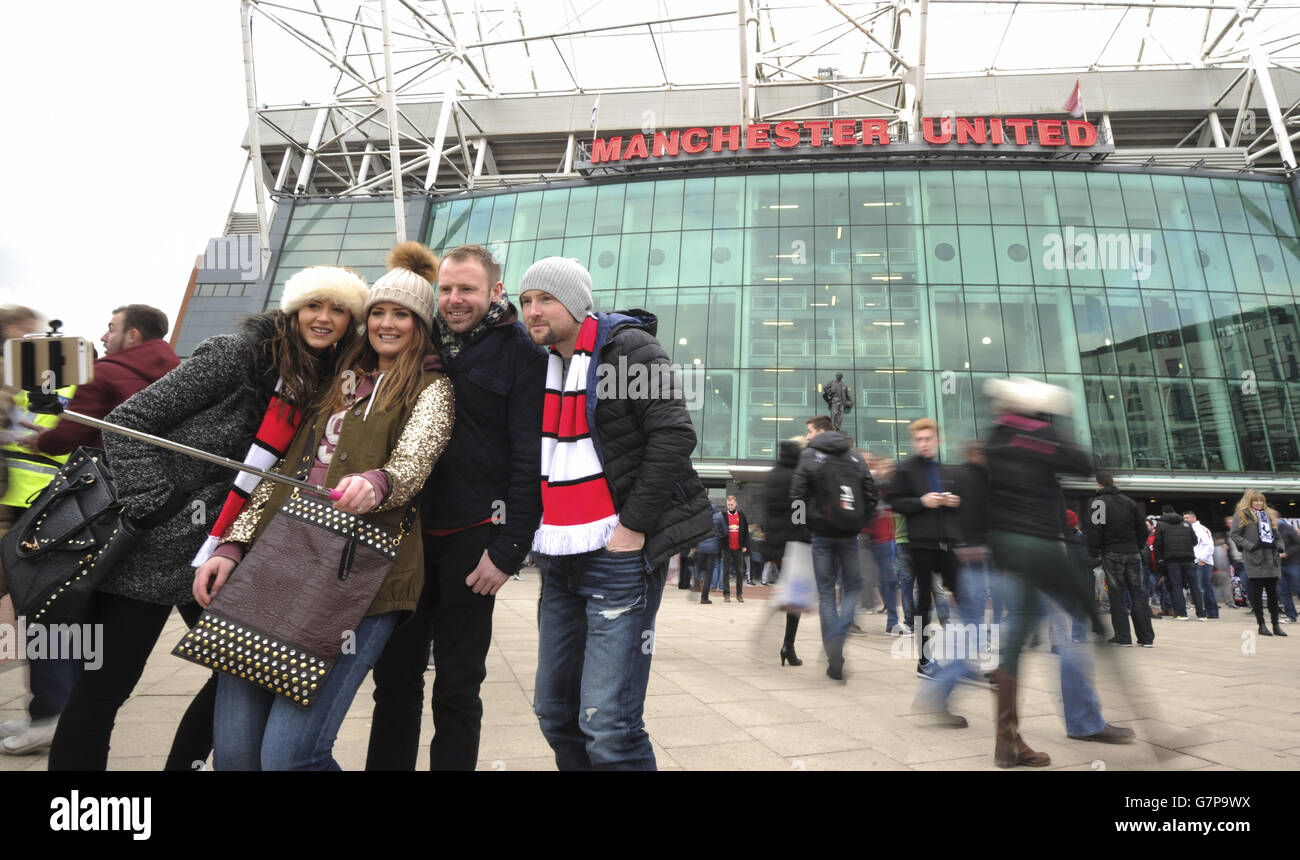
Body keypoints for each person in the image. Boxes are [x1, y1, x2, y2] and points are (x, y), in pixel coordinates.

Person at [48, 265, 366, 771]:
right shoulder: (239, 355)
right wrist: (157, 504)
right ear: (294, 309)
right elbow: (129, 422)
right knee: (105, 691)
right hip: (152, 548)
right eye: (314, 305)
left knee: (241, 671)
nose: (324, 318)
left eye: (338, 309)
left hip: (222, 550)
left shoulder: (322, 380)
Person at [195, 242, 455, 770]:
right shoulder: (337, 382)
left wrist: (378, 483)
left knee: (289, 759)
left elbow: (413, 463)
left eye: (401, 314)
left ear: (420, 324)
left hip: (360, 576)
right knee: (237, 758)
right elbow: (282, 475)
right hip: (277, 561)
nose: (386, 323)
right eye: (378, 312)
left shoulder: (433, 388)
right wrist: (233, 543)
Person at [520, 256, 712, 770]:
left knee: (609, 726)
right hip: (559, 556)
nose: (533, 311)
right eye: (526, 301)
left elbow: (673, 433)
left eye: (545, 299)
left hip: (615, 554)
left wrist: (632, 528)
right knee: (554, 712)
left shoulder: (627, 347)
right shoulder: (543, 364)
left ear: (578, 302)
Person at [365, 243, 545, 772]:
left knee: (458, 687)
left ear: (495, 291)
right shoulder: (418, 344)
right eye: (445, 288)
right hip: (407, 536)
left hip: (473, 541)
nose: (454, 299)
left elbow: (529, 458)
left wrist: (510, 549)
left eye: (466, 289)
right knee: (393, 681)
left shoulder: (522, 354)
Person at [1, 305, 180, 757]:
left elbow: (69, 431)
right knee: (79, 606)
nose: (104, 333)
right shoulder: (179, 371)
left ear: (132, 333)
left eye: (112, 326)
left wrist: (36, 438)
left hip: (63, 509)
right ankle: (63, 703)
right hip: (143, 515)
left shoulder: (104, 371)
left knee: (49, 605)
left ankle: (56, 709)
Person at [981, 378, 1133, 768]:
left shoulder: (996, 438)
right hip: (1041, 543)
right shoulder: (1036, 432)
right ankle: (1087, 720)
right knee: (1083, 624)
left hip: (1008, 546)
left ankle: (1007, 740)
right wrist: (1059, 415)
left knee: (1018, 634)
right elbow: (1081, 463)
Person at [789, 414, 877, 681]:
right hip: (849, 533)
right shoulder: (855, 456)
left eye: (809, 431)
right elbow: (871, 493)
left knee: (827, 592)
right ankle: (841, 632)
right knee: (851, 587)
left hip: (822, 534)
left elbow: (796, 494)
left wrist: (801, 526)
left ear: (821, 431)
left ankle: (834, 655)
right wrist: (860, 521)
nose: (807, 436)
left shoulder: (810, 455)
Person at [887, 418, 963, 681]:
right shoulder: (906, 469)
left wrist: (953, 501)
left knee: (963, 593)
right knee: (923, 602)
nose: (924, 443)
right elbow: (894, 502)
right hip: (920, 542)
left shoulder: (944, 468)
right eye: (919, 440)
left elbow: (957, 499)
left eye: (928, 438)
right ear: (914, 442)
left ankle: (962, 657)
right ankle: (923, 660)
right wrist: (921, 501)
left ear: (937, 440)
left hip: (946, 541)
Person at [1088, 471, 1154, 647]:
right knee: (1138, 594)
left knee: (1117, 595)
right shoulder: (1129, 502)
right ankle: (1146, 637)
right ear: (1114, 483)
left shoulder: (1099, 503)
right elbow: (1142, 528)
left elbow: (1096, 529)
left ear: (1099, 484)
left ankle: (1123, 636)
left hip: (1112, 552)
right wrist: (1138, 545)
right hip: (1132, 552)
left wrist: (1094, 551)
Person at [761, 438, 809, 666]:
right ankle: (788, 645)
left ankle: (787, 645)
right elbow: (798, 512)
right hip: (794, 544)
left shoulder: (772, 476)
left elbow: (767, 513)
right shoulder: (796, 477)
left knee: (791, 591)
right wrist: (804, 535)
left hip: (775, 544)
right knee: (796, 596)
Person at [1229, 490, 1287, 637]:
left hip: (1271, 559)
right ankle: (1261, 625)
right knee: (1257, 594)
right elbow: (1234, 534)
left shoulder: (1267, 515)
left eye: (1261, 500)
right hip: (1255, 559)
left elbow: (1278, 536)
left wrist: (1280, 546)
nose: (1259, 503)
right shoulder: (1241, 514)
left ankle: (1276, 625)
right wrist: (1250, 546)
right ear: (1249, 501)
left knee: (1273, 594)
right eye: (1256, 500)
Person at [1153, 505, 1200, 620]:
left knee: (1177, 586)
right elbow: (1195, 541)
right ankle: (1202, 614)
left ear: (1163, 513)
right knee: (1195, 586)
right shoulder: (1186, 524)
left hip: (1172, 560)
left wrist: (1162, 557)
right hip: (1189, 559)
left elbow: (1157, 544)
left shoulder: (1161, 524)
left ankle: (1181, 614)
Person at [1186, 510, 1217, 621]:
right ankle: (1210, 611)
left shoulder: (1202, 529)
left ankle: (1211, 612)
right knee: (1201, 588)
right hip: (1195, 561)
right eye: (1184, 518)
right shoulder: (1189, 529)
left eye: (1187, 518)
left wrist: (1202, 559)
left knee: (1203, 588)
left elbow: (1210, 546)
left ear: (1194, 518)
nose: (1186, 520)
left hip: (1203, 562)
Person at [719, 495, 750, 602]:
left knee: (740, 572)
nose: (730, 506)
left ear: (736, 504)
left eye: (732, 504)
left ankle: (739, 594)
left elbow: (746, 532)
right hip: (727, 548)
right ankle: (726, 594)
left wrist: (745, 545)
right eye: (728, 504)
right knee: (726, 572)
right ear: (726, 504)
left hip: (738, 548)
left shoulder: (741, 515)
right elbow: (719, 531)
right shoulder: (723, 516)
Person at [695, 505, 720, 603]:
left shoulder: (700, 518)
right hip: (712, 549)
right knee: (709, 573)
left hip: (701, 547)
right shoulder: (718, 519)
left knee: (699, 569)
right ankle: (704, 597)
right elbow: (725, 531)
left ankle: (696, 585)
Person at [1276, 519, 1300, 624]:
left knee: (1297, 587)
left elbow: (1298, 544)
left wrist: (1287, 553)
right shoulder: (1266, 531)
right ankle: (1291, 615)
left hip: (1292, 563)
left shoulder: (1287, 528)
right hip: (1277, 565)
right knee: (1283, 591)